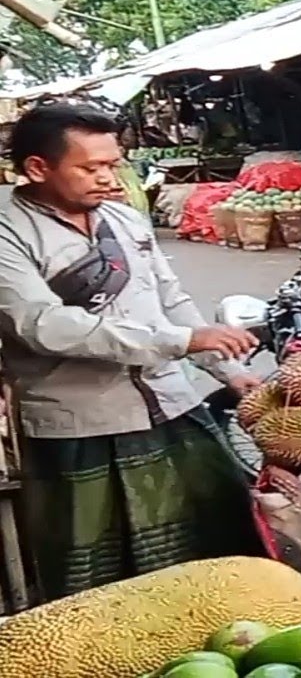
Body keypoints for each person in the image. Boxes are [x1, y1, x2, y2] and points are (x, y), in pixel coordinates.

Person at [0, 103, 265, 599]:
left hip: (173, 406)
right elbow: (41, 324)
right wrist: (180, 342)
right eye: (90, 167)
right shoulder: (7, 229)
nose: (107, 178)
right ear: (38, 168)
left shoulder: (123, 219)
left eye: (111, 164)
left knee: (224, 539)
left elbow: (170, 300)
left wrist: (226, 369)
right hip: (82, 424)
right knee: (102, 580)